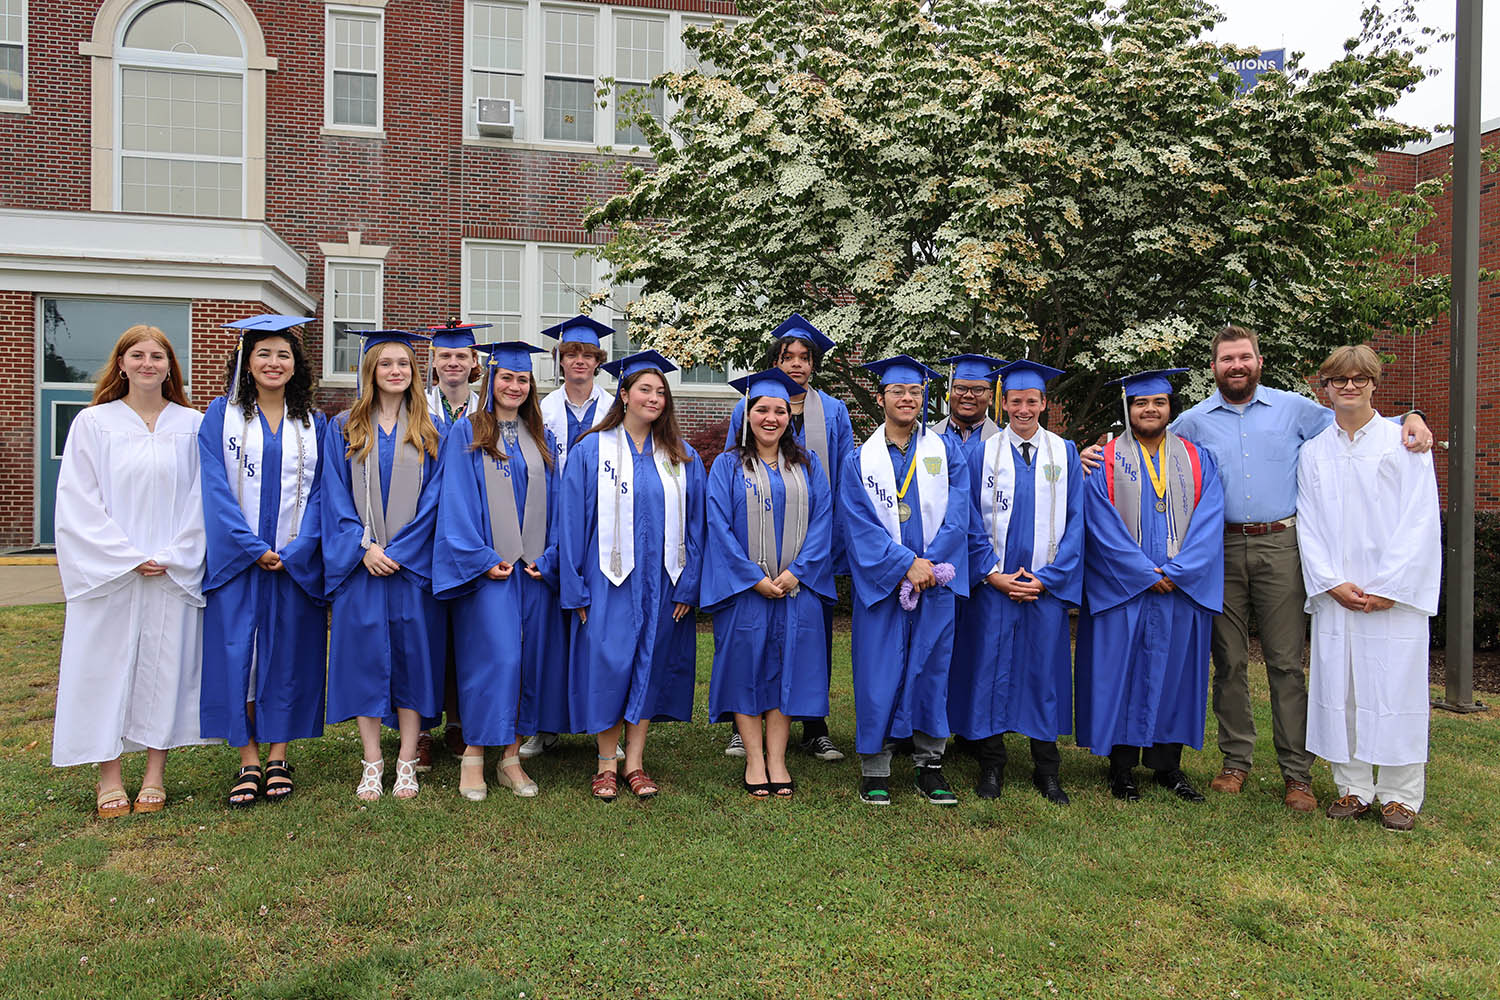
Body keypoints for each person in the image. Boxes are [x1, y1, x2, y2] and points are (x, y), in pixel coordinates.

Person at [1164, 325, 1432, 811]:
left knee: (1287, 663)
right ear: (1215, 367)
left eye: (1245, 356)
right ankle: (1236, 762)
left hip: (1281, 546)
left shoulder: (1294, 409)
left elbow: (1359, 420)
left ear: (1259, 362)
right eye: (1227, 359)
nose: (1237, 365)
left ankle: (1297, 773)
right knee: (1229, 662)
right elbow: (1151, 448)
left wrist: (1414, 416)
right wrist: (1094, 454)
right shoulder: (1195, 421)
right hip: (1219, 549)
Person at [52, 325, 210, 817]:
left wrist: (174, 554)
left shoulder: (194, 424)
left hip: (170, 568)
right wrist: (124, 556)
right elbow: (77, 500)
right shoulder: (93, 423)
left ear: (170, 365)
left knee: (166, 668)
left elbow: (204, 499)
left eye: (157, 356)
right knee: (104, 668)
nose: (148, 363)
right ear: (120, 363)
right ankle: (109, 775)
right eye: (137, 355)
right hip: (111, 571)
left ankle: (156, 774)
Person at [1296, 345, 1440, 832]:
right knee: (1343, 687)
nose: (1350, 386)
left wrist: (1391, 586)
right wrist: (1332, 583)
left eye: (1360, 378)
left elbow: (1420, 521)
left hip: (1392, 598)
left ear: (1375, 383)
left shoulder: (1404, 444)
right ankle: (1353, 787)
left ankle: (1400, 794)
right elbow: (1308, 525)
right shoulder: (1314, 452)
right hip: (1340, 595)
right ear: (1327, 387)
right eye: (1340, 380)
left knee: (1396, 687)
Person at [560, 349, 706, 801]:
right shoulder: (591, 451)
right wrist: (576, 587)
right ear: (623, 395)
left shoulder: (681, 458)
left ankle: (635, 763)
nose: (655, 397)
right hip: (609, 581)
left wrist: (689, 581)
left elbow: (697, 526)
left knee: (650, 662)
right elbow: (569, 524)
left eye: (661, 391)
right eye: (645, 389)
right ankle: (606, 763)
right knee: (609, 663)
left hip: (663, 582)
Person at [1075, 369, 1224, 803]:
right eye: (1141, 403)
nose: (1150, 409)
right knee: (1122, 672)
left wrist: (1177, 572)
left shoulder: (1198, 459)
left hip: (1180, 588)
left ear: (1169, 408)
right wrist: (1144, 573)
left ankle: (1168, 767)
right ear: (1128, 408)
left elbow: (1210, 519)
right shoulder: (1103, 460)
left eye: (1158, 402)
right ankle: (1121, 769)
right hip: (1127, 589)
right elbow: (1099, 524)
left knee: (1176, 674)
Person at [198, 315, 327, 808]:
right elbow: (213, 488)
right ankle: (248, 758)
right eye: (264, 354)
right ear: (246, 363)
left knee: (289, 655)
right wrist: (251, 546)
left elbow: (322, 495)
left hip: (293, 564)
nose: (274, 363)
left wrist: (296, 549)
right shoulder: (221, 416)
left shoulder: (314, 424)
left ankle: (278, 754)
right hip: (239, 563)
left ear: (297, 366)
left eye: (284, 355)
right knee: (241, 657)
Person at [434, 341, 565, 801]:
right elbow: (455, 501)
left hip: (531, 574)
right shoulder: (466, 432)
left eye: (523, 379)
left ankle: (509, 757)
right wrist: (482, 559)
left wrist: (548, 559)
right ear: (491, 381)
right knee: (493, 661)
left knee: (526, 661)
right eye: (507, 378)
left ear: (531, 387)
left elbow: (559, 506)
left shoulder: (541, 437)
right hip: (490, 573)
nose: (514, 385)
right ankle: (473, 755)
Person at [721, 314, 853, 763]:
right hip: (757, 541)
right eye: (787, 356)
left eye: (804, 358)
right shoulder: (750, 405)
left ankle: (814, 726)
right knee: (753, 637)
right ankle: (747, 727)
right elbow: (731, 476)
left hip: (816, 545)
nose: (796, 364)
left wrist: (816, 556)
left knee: (811, 639)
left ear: (814, 365)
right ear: (775, 361)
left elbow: (842, 481)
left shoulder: (833, 411)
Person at [950, 360, 1083, 805]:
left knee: (1043, 674)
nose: (1023, 409)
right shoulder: (980, 454)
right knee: (990, 670)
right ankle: (991, 766)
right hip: (995, 588)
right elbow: (965, 520)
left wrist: (1047, 580)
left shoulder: (1064, 453)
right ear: (1003, 404)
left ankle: (1048, 770)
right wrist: (991, 574)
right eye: (1015, 401)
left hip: (1043, 588)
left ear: (1044, 403)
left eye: (1032, 401)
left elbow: (1078, 524)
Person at [840, 355, 970, 806]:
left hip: (935, 583)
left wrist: (930, 566)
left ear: (924, 398)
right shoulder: (859, 459)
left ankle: (929, 767)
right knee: (880, 674)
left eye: (915, 392)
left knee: (932, 672)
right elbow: (858, 524)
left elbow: (959, 512)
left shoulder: (945, 449)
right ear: (881, 399)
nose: (907, 398)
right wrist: (903, 564)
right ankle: (875, 768)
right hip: (884, 588)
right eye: (898, 391)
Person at [322, 330, 446, 801]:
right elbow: (331, 495)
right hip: (363, 568)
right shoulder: (345, 427)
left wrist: (401, 551)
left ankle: (407, 760)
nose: (396, 371)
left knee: (415, 660)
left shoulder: (433, 429)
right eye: (386, 364)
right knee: (364, 660)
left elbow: (438, 500)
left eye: (404, 364)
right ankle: (372, 761)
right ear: (370, 371)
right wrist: (363, 546)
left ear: (415, 373)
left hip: (411, 571)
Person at [703, 368, 836, 797]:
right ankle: (755, 760)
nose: (771, 417)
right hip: (747, 591)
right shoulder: (726, 466)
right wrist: (752, 577)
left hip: (797, 588)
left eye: (780, 410)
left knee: (787, 671)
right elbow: (717, 526)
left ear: (789, 418)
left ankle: (777, 759)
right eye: (762, 409)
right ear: (747, 414)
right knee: (746, 670)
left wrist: (798, 571)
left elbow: (823, 520)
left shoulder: (808, 464)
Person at [524, 313, 615, 760]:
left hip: (604, 529)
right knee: (549, 633)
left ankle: (606, 728)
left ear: (599, 361)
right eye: (571, 353)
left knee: (598, 629)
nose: (579, 360)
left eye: (587, 354)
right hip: (548, 526)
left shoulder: (616, 406)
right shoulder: (541, 409)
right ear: (560, 360)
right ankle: (546, 725)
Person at [416, 320, 491, 765]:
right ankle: (423, 727)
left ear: (474, 362)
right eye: (445, 356)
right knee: (426, 635)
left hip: (472, 534)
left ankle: (463, 721)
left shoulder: (489, 407)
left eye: (461, 355)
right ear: (434, 362)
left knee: (467, 633)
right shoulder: (418, 406)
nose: (453, 362)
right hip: (424, 537)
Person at [933, 354, 1006, 446]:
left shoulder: (1004, 442)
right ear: (950, 392)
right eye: (960, 388)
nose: (968, 395)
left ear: (990, 397)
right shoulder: (928, 438)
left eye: (978, 390)